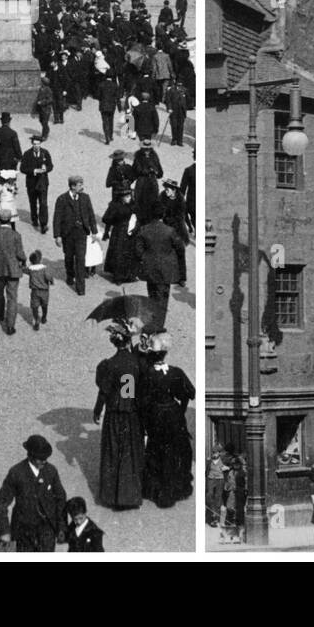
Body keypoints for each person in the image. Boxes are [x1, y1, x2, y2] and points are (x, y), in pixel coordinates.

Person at [93, 320, 145, 510]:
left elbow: (104, 392)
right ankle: (130, 495)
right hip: (132, 414)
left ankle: (112, 495)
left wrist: (97, 410)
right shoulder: (136, 364)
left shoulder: (109, 365)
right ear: (128, 341)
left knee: (113, 452)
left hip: (114, 414)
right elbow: (139, 390)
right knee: (130, 453)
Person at [140, 334, 195, 508]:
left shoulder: (148, 374)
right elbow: (189, 393)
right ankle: (177, 488)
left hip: (156, 415)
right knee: (177, 450)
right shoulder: (176, 372)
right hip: (173, 415)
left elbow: (142, 401)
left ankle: (158, 490)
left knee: (157, 451)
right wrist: (181, 409)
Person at [0, 435, 67, 552]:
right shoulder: (16, 473)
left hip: (47, 530)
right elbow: (0, 502)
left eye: (46, 458)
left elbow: (61, 499)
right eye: (40, 458)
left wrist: (61, 527)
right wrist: (4, 531)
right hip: (24, 531)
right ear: (30, 456)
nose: (44, 461)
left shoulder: (51, 471)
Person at [134, 212, 185, 331]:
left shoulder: (144, 229)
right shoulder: (170, 230)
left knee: (152, 295)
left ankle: (152, 322)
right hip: (166, 269)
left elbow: (138, 250)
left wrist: (146, 258)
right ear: (162, 215)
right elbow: (180, 248)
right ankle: (159, 325)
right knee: (163, 298)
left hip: (150, 269)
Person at [53, 175, 98, 295]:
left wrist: (94, 231)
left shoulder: (85, 198)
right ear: (72, 186)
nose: (82, 187)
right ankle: (69, 275)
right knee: (68, 257)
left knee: (80, 259)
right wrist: (57, 235)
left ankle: (80, 288)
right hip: (67, 234)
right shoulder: (62, 199)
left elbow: (91, 215)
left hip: (81, 233)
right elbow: (57, 218)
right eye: (79, 185)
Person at [101, 187, 138, 283]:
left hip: (130, 232)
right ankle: (118, 277)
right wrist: (107, 231)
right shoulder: (115, 206)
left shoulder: (133, 205)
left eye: (129, 196)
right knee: (118, 253)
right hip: (119, 232)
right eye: (126, 197)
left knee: (129, 253)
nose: (129, 198)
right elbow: (106, 219)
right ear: (121, 197)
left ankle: (129, 275)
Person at [19, 134, 54, 234]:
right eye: (34, 144)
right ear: (32, 144)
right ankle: (34, 219)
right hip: (31, 183)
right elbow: (22, 168)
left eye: (38, 144)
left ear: (40, 144)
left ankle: (43, 224)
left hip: (43, 182)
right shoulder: (27, 154)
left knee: (43, 203)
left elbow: (51, 166)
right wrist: (34, 170)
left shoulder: (45, 153)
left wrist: (45, 169)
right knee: (33, 202)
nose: (36, 146)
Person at [26, 250, 52, 330]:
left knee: (35, 306)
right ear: (40, 260)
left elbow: (24, 270)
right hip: (44, 291)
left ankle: (36, 319)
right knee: (45, 305)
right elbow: (48, 277)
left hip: (35, 291)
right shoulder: (44, 269)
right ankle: (44, 317)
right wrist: (51, 281)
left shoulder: (30, 269)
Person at [97, 73, 120, 145]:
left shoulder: (101, 85)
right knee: (111, 120)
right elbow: (117, 96)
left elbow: (98, 96)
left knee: (105, 121)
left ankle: (107, 138)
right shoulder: (115, 85)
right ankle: (110, 135)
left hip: (103, 105)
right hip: (112, 106)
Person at [164, 81, 187, 147]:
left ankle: (180, 141)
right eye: (178, 85)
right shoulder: (171, 90)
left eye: (181, 85)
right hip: (173, 110)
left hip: (181, 111)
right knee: (174, 125)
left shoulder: (185, 90)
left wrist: (186, 108)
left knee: (181, 126)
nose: (180, 87)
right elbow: (168, 100)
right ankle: (174, 139)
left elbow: (188, 100)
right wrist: (169, 108)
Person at [33, 74, 54, 142]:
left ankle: (44, 136)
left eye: (41, 81)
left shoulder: (48, 90)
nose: (40, 82)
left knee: (44, 122)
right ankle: (46, 130)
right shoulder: (41, 88)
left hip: (46, 109)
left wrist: (42, 102)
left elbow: (50, 100)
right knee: (41, 120)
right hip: (41, 109)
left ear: (44, 83)